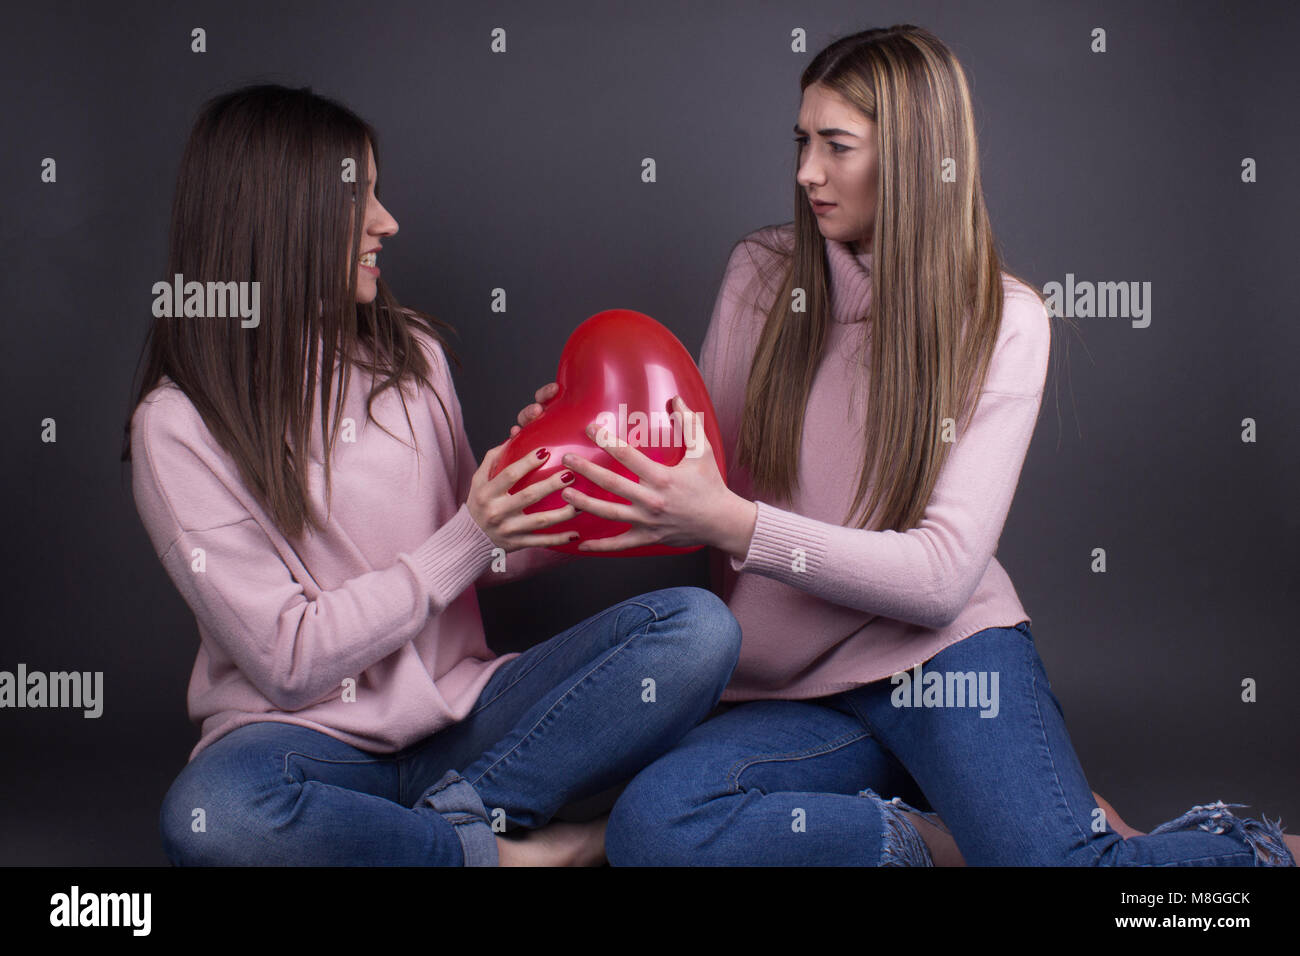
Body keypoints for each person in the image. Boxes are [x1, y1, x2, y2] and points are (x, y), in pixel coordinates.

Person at [517, 25, 1297, 866]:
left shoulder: (1004, 320)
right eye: (802, 140)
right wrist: (594, 455)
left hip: (949, 660)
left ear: (918, 159)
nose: (805, 172)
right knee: (654, 827)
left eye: (836, 146)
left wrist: (731, 523)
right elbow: (703, 496)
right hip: (793, 688)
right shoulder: (759, 276)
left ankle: (1255, 852)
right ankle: (934, 838)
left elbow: (935, 580)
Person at [120, 84, 742, 866]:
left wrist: (558, 483)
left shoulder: (409, 353)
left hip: (464, 716)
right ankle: (509, 852)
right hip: (303, 745)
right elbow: (287, 662)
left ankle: (418, 843)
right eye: (360, 198)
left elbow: (477, 556)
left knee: (697, 632)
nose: (387, 221)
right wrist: (469, 534)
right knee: (216, 814)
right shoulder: (178, 425)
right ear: (280, 216)